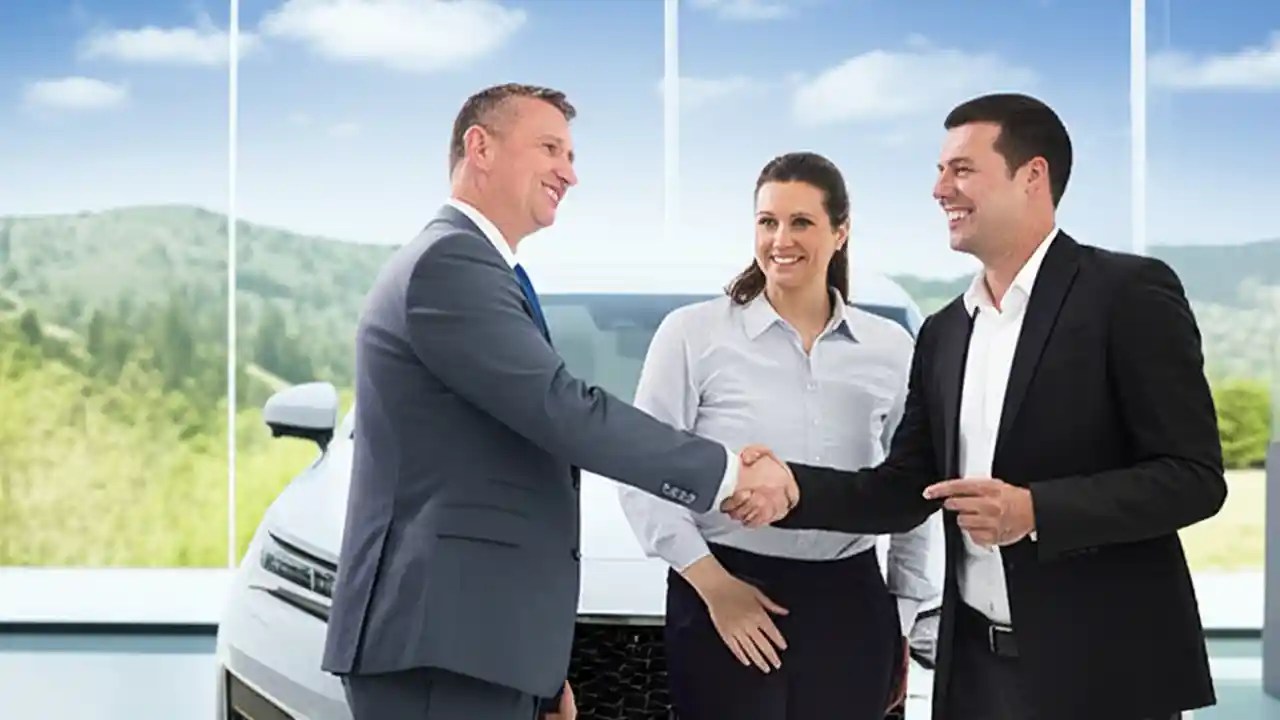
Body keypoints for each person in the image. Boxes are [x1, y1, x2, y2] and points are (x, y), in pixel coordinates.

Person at [726, 93, 1226, 720]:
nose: (940, 189)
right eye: (940, 170)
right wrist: (792, 490)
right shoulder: (944, 332)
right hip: (976, 678)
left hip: (1104, 678)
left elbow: (1193, 478)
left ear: (1032, 176)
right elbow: (908, 489)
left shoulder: (1126, 295)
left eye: (961, 169)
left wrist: (1034, 510)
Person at [319, 83, 798, 720]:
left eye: (571, 155)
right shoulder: (450, 264)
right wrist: (728, 472)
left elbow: (511, 438)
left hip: (480, 646)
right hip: (441, 645)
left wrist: (535, 676)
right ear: (480, 147)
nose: (569, 173)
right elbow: (560, 408)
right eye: (551, 148)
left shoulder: (478, 267)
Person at [617, 151, 940, 720]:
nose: (780, 239)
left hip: (851, 605)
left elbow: (912, 490)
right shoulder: (693, 335)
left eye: (801, 222)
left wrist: (902, 619)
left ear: (840, 232)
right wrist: (715, 588)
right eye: (767, 221)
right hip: (725, 585)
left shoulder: (892, 349)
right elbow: (643, 472)